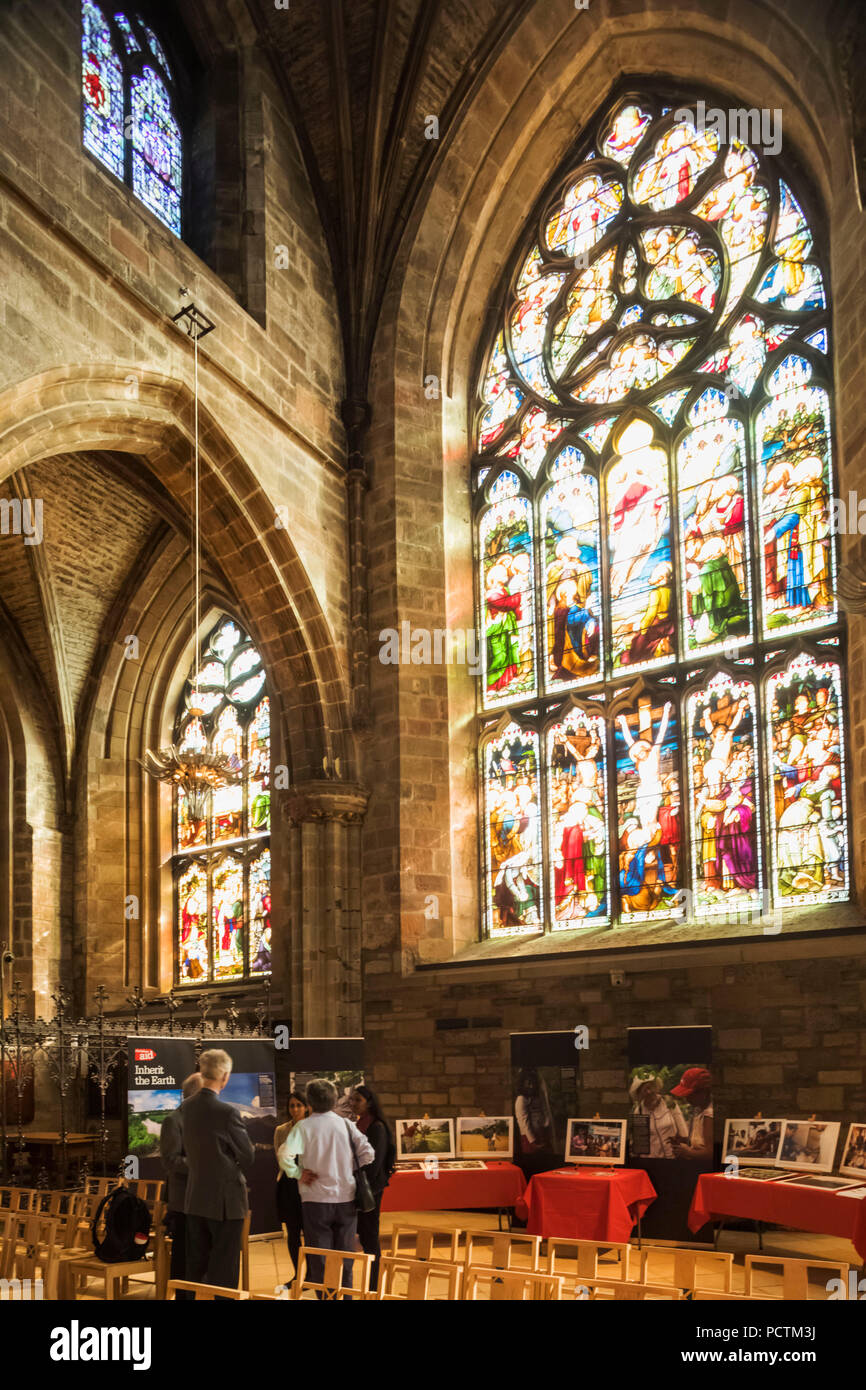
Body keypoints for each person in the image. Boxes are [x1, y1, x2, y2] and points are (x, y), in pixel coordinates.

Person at [278, 1077, 374, 1294]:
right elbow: (368, 1154)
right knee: (345, 1256)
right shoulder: (347, 1125)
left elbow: (284, 1154)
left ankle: (326, 1297)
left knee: (319, 1258)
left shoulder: (303, 1127)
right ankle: (346, 1296)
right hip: (346, 1198)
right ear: (333, 1100)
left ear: (310, 1102)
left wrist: (297, 1173)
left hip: (315, 1200)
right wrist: (344, 1167)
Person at [181, 1048, 255, 1295]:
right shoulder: (227, 1112)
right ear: (224, 1076)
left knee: (196, 1265)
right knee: (224, 1267)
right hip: (225, 1201)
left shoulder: (186, 1108)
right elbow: (248, 1155)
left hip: (195, 1198)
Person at [158, 1072, 203, 1301]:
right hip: (184, 1200)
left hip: (206, 1199)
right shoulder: (173, 1121)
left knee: (201, 1255)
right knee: (184, 1256)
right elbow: (170, 1160)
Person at [351, 1085, 396, 1290]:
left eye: (358, 1100)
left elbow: (374, 1165)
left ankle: (374, 1285)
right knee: (365, 1235)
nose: (353, 1103)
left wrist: (356, 1181)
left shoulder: (376, 1127)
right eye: (352, 1099)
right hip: (360, 1187)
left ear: (369, 1102)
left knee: (370, 1237)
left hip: (370, 1190)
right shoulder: (360, 1124)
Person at [273, 1089, 309, 1280]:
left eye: (299, 1105)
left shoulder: (312, 1128)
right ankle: (297, 1274)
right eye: (292, 1106)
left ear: (306, 1107)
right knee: (293, 1233)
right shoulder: (281, 1130)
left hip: (308, 1185)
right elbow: (279, 1159)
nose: (295, 1109)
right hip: (288, 1184)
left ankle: (313, 1274)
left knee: (310, 1232)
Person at [629, 1074, 688, 1158]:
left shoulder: (669, 1103)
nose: (648, 1092)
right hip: (651, 1159)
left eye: (650, 1087)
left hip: (673, 1157)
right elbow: (640, 1142)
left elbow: (683, 1131)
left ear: (655, 1087)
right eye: (644, 1090)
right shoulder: (639, 1111)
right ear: (639, 1094)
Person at [668, 1067, 714, 1161]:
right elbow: (699, 1142)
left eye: (690, 1095)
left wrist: (687, 1152)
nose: (687, 1099)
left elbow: (711, 1153)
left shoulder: (709, 1115)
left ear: (704, 1092)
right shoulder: (698, 1110)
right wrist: (683, 1140)